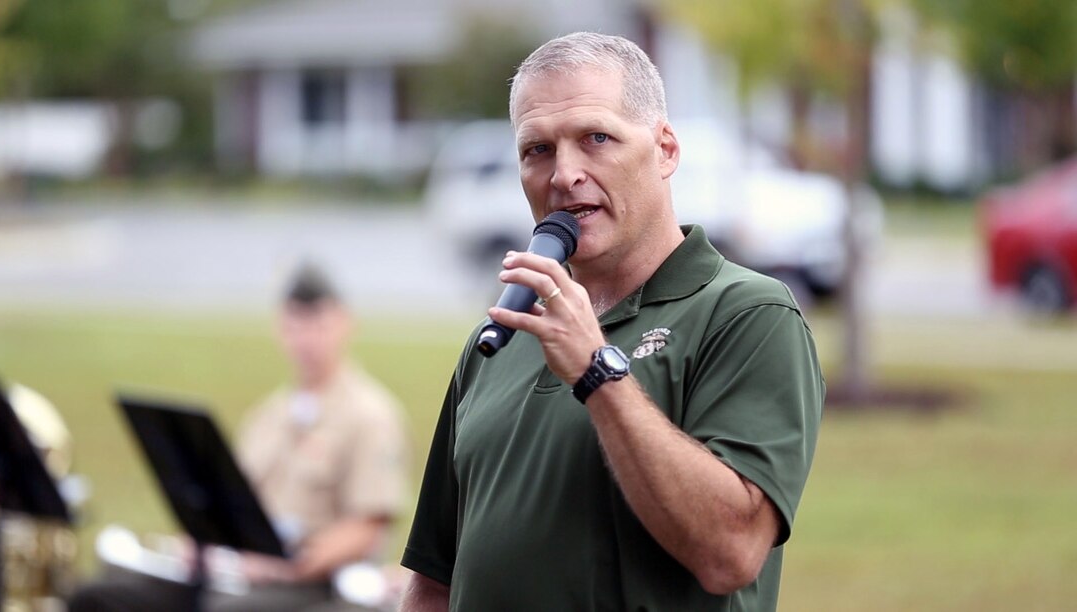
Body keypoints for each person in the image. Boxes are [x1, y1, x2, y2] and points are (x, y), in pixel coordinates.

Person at [399, 32, 824, 611]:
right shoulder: (498, 335)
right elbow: (434, 580)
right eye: (537, 150)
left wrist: (597, 372)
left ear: (665, 149)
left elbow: (732, 551)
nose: (564, 173)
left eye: (596, 138)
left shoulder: (747, 314)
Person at [69, 264, 409, 612]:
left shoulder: (370, 414)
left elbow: (367, 527)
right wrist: (202, 543)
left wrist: (290, 564)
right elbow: (232, 501)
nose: (307, 339)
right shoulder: (269, 414)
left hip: (315, 584)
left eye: (318, 324)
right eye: (296, 325)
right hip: (239, 570)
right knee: (102, 595)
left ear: (344, 323)